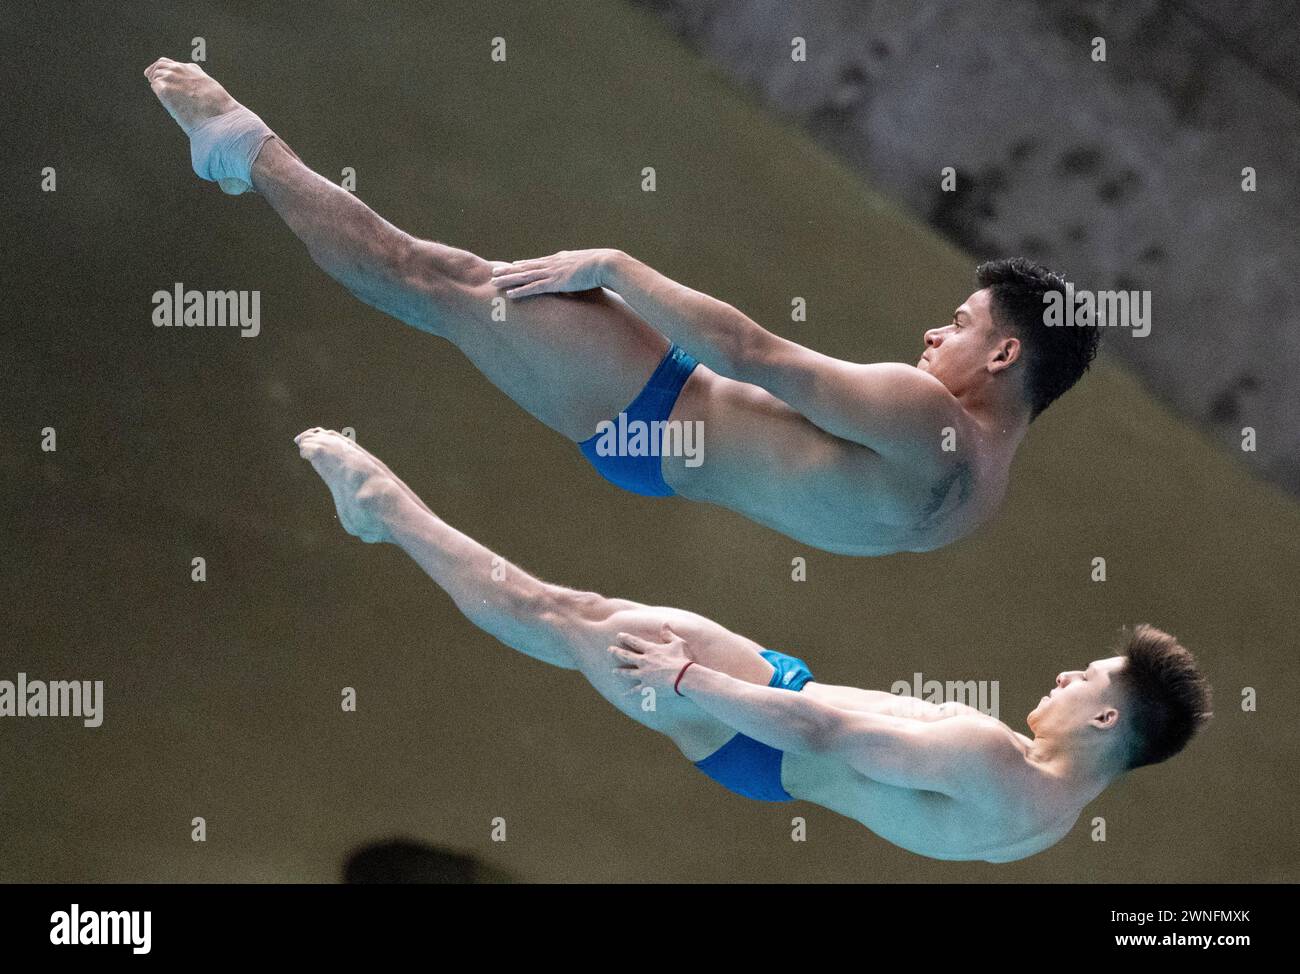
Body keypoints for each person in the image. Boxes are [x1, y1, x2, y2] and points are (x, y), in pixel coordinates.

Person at [146, 58, 1100, 556]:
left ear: (1006, 356)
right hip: (652, 458)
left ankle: (238, 145)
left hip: (653, 400)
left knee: (431, 278)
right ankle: (250, 168)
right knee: (441, 304)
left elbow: (748, 351)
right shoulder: (980, 499)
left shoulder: (927, 416)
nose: (936, 333)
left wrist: (612, 263)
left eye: (961, 324)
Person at [295, 427, 1210, 862]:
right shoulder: (1046, 821)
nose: (1064, 672)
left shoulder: (989, 760)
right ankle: (386, 516)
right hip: (774, 704)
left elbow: (820, 739)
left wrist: (690, 678)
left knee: (555, 615)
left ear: (1102, 713)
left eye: (1086, 675)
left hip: (754, 730)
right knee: (573, 613)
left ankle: (383, 512)